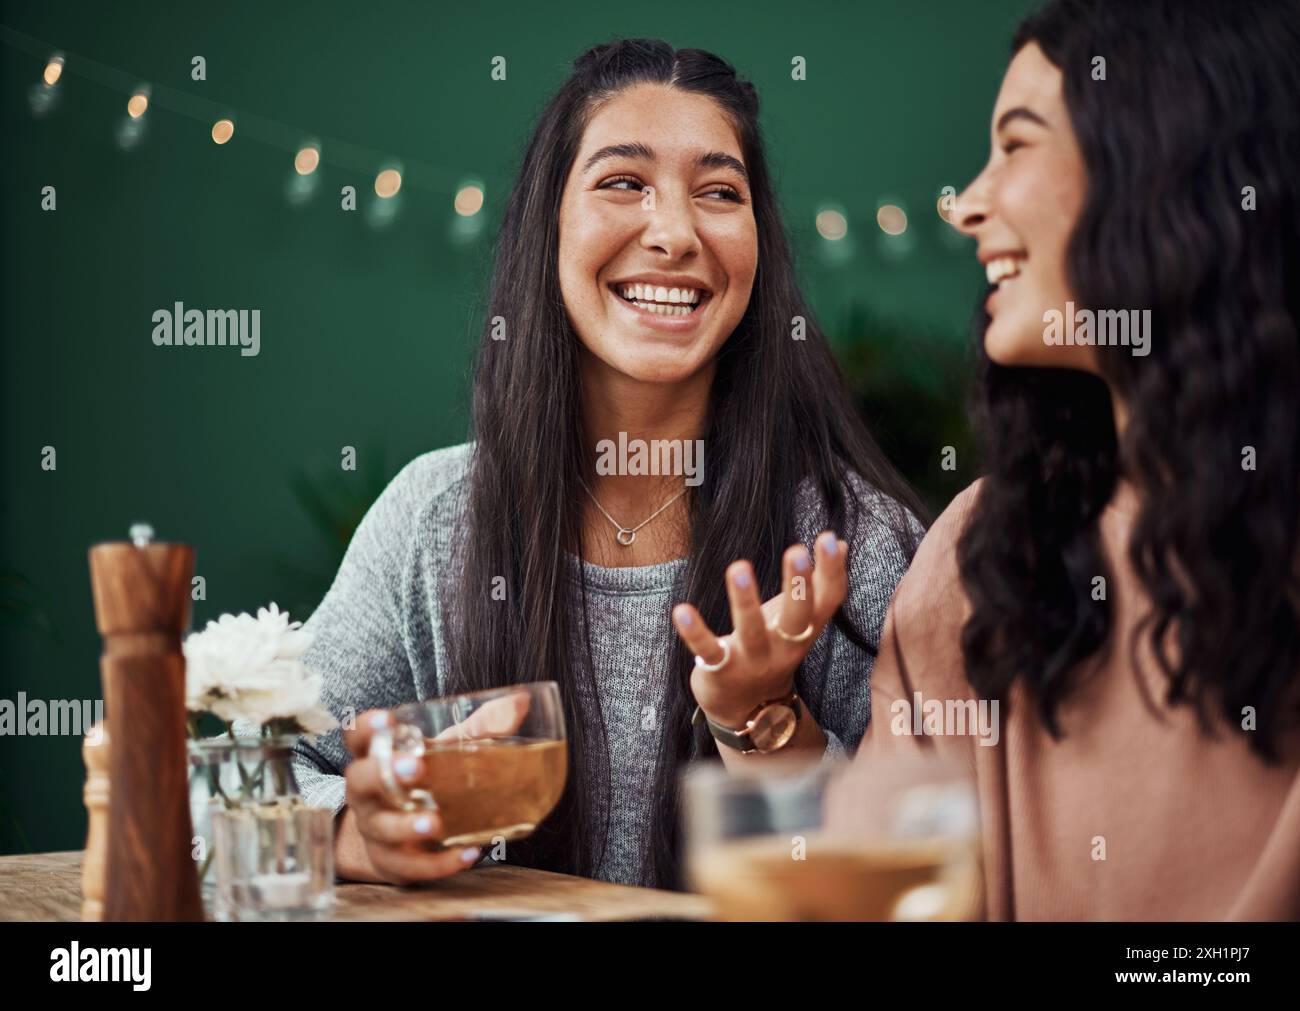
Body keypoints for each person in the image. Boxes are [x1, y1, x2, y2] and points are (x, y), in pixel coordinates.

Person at [293, 39, 924, 890]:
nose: (673, 232)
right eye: (623, 181)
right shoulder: (436, 517)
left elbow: (909, 873)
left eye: (719, 193)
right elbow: (219, 778)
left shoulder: (852, 543)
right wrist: (349, 831)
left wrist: (765, 723)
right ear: (547, 224)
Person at [825, 0, 1300, 920]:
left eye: (1017, 144)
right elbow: (874, 882)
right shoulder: (983, 550)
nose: (966, 203)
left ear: (1165, 163)